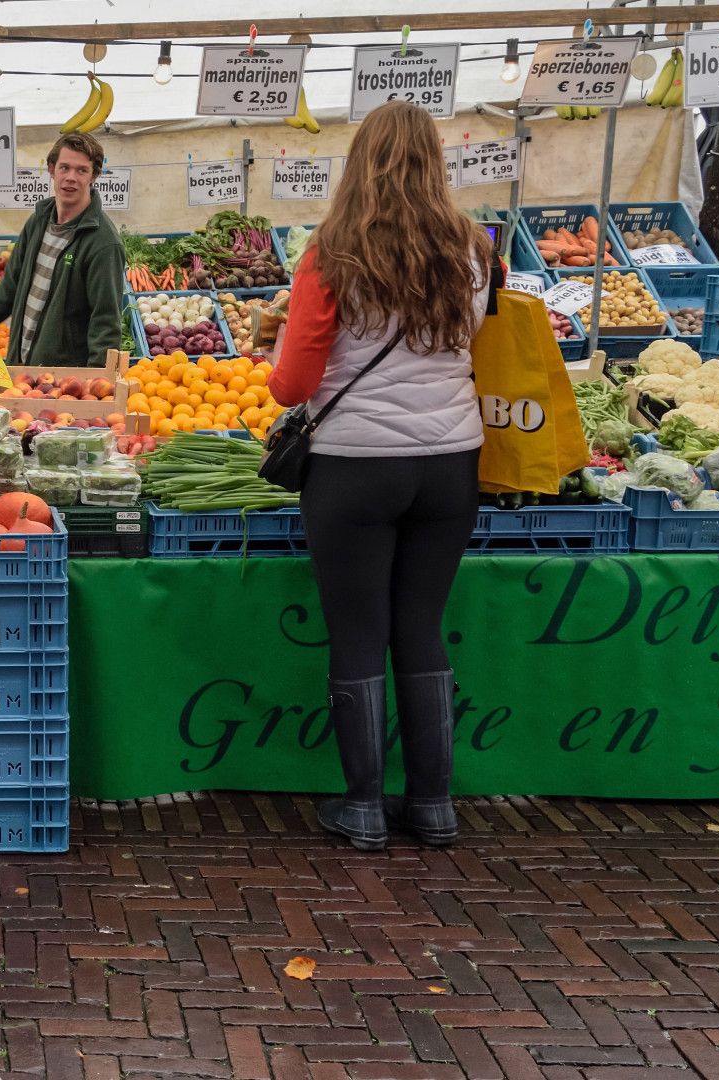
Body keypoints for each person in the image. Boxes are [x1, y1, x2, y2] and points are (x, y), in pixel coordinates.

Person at [266, 100, 496, 853]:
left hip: (355, 467)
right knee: (421, 625)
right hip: (451, 462)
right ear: (436, 161)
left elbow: (293, 385)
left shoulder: (331, 252)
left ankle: (363, 805)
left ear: (359, 162)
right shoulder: (475, 249)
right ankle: (433, 804)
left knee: (359, 630)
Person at [0, 131, 127, 365]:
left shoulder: (103, 243)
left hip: (64, 381)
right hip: (21, 365)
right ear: (51, 169)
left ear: (94, 176)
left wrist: (97, 385)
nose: (71, 177)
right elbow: (8, 291)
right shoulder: (38, 222)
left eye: (81, 170)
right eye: (64, 168)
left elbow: (105, 322)